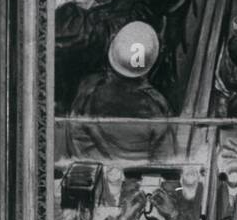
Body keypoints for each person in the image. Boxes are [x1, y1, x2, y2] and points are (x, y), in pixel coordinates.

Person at [67, 21, 172, 162]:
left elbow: (76, 135)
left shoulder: (89, 89)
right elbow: (164, 155)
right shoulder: (157, 105)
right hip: (138, 175)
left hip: (97, 167)